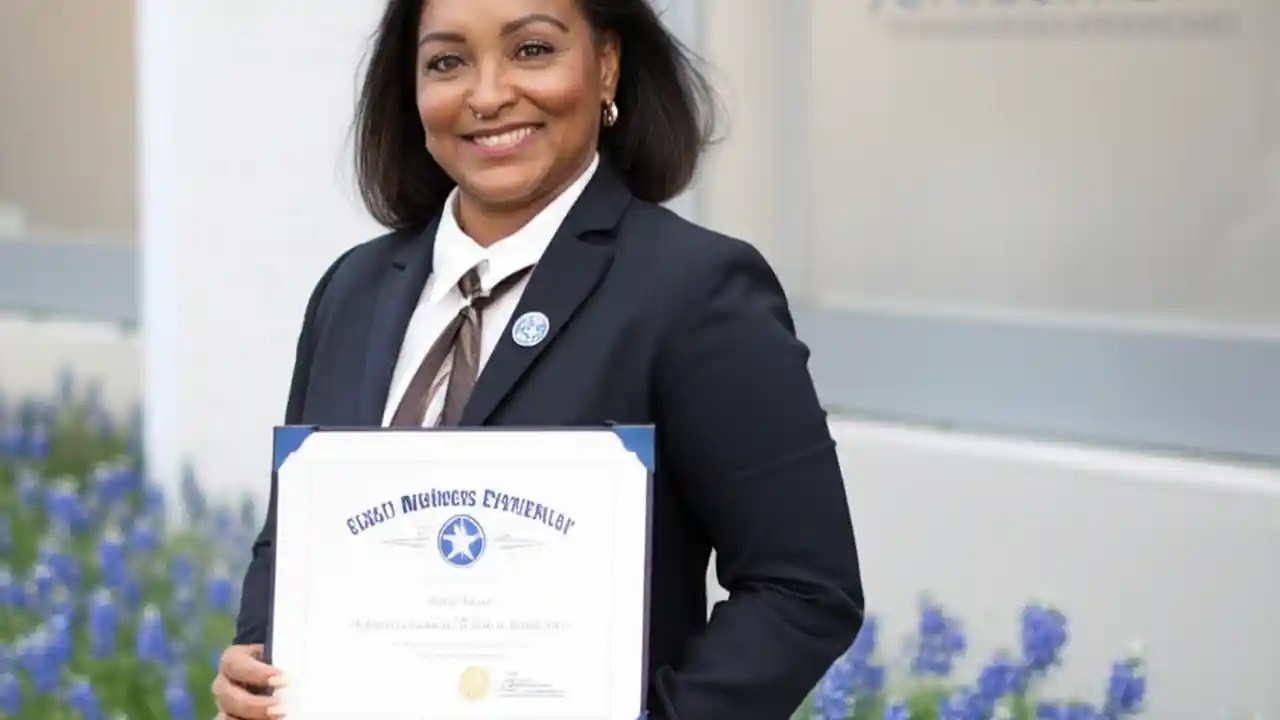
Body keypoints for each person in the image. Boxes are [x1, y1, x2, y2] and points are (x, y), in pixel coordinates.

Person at [212, 0, 864, 718]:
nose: (487, 96)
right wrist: (257, 669)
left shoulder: (694, 291)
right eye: (447, 62)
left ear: (607, 64)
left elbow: (803, 589)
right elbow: (294, 546)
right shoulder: (353, 291)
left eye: (531, 50)